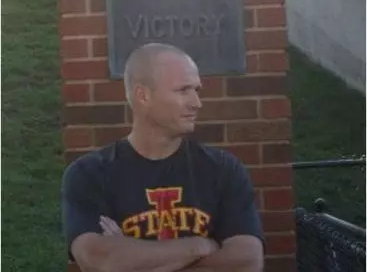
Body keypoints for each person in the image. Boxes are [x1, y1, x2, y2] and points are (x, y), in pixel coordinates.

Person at [61, 43, 264, 272]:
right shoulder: (90, 174)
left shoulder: (223, 169)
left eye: (196, 90)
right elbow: (100, 261)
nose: (196, 103)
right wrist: (199, 246)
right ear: (143, 96)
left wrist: (133, 258)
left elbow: (247, 261)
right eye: (183, 90)